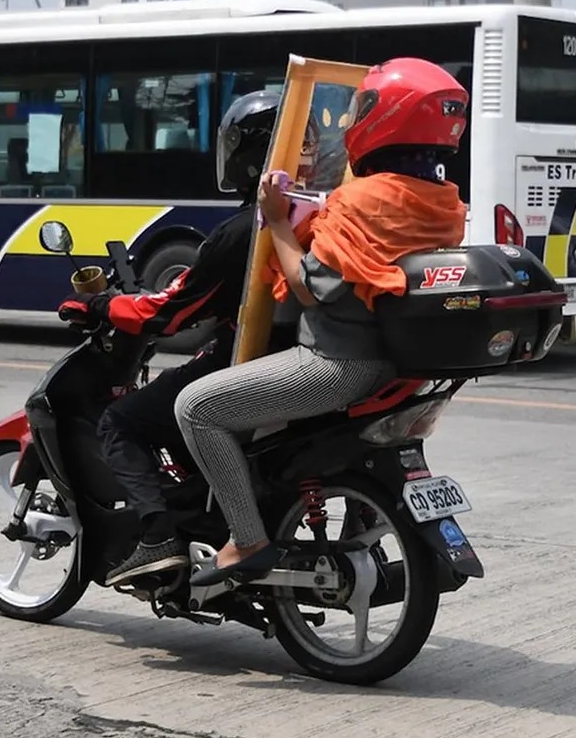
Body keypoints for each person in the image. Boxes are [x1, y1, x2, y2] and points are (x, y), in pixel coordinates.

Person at [173, 57, 472, 587]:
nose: (352, 119)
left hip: (337, 364)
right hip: (397, 368)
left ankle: (246, 539)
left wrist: (276, 216)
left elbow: (308, 287)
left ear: (383, 118)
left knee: (195, 408)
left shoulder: (362, 199)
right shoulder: (442, 200)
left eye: (361, 108)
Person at [56, 90, 318, 587]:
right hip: (301, 357)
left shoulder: (245, 231)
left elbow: (168, 314)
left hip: (246, 361)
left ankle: (158, 537)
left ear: (247, 153)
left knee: (121, 421)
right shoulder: (319, 216)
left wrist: (99, 305)